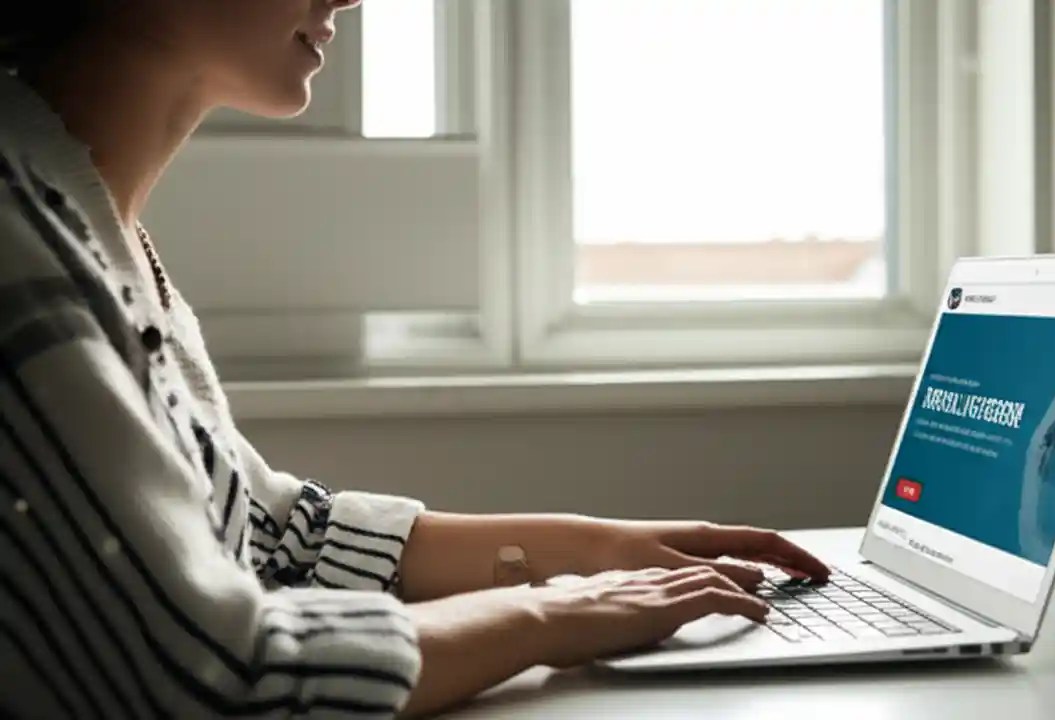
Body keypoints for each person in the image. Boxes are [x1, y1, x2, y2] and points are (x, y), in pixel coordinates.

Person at [0, 1, 828, 717]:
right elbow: (220, 677)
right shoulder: (19, 241)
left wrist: (589, 546)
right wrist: (557, 613)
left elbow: (275, 535)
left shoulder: (78, 221)